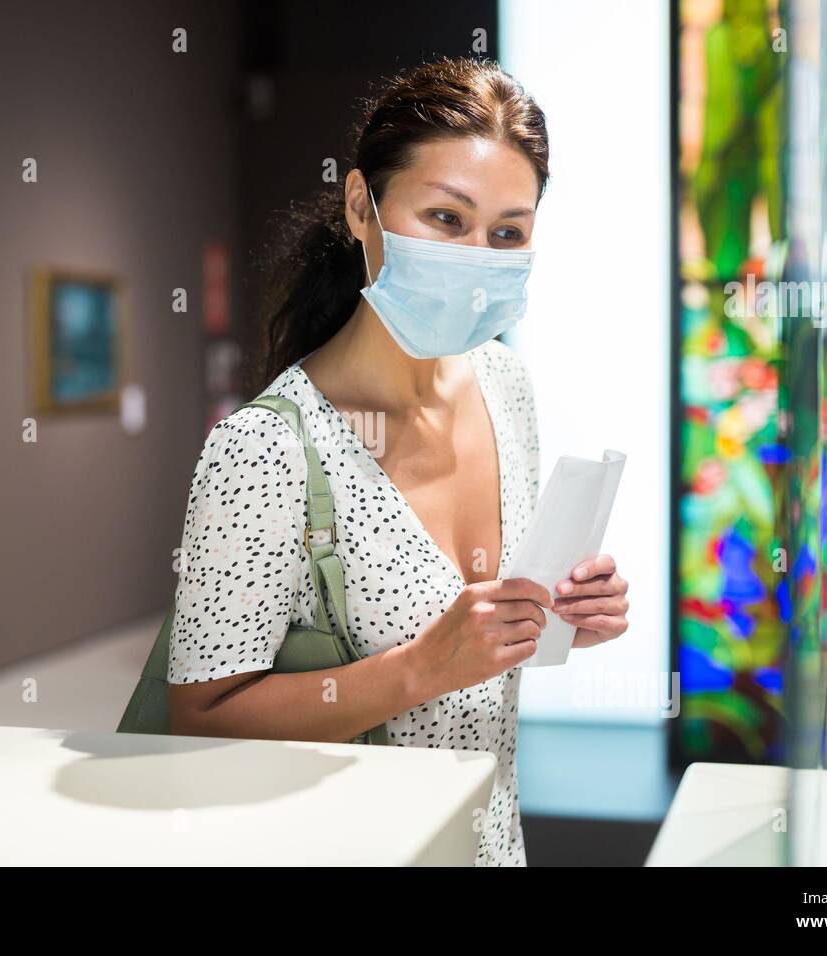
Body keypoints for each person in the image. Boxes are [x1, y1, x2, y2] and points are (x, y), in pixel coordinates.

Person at [166, 57, 629, 866]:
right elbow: (201, 720)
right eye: (447, 219)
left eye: (508, 233)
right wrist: (419, 668)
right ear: (360, 206)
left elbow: (481, 636)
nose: (479, 254)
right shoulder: (265, 449)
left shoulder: (504, 384)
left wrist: (554, 615)